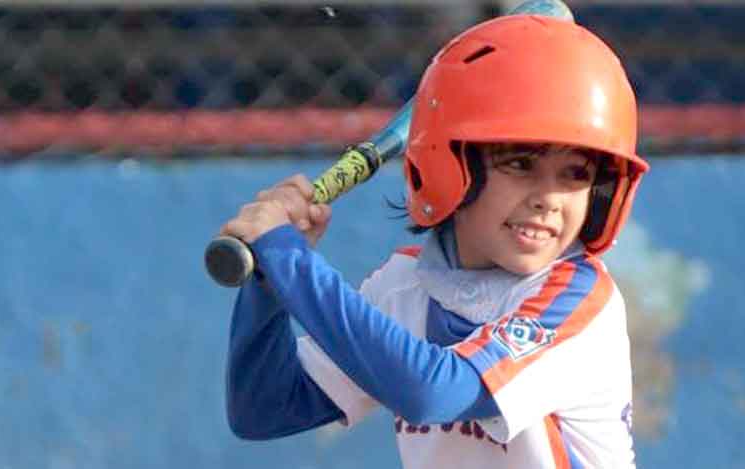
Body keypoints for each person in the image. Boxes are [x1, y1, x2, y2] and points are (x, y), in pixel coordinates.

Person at [220, 14, 649, 469]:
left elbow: (434, 392)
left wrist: (288, 258)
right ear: (451, 166)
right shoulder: (406, 286)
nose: (549, 199)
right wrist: (268, 281)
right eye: (521, 165)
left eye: (576, 174)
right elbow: (264, 408)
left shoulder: (579, 301)